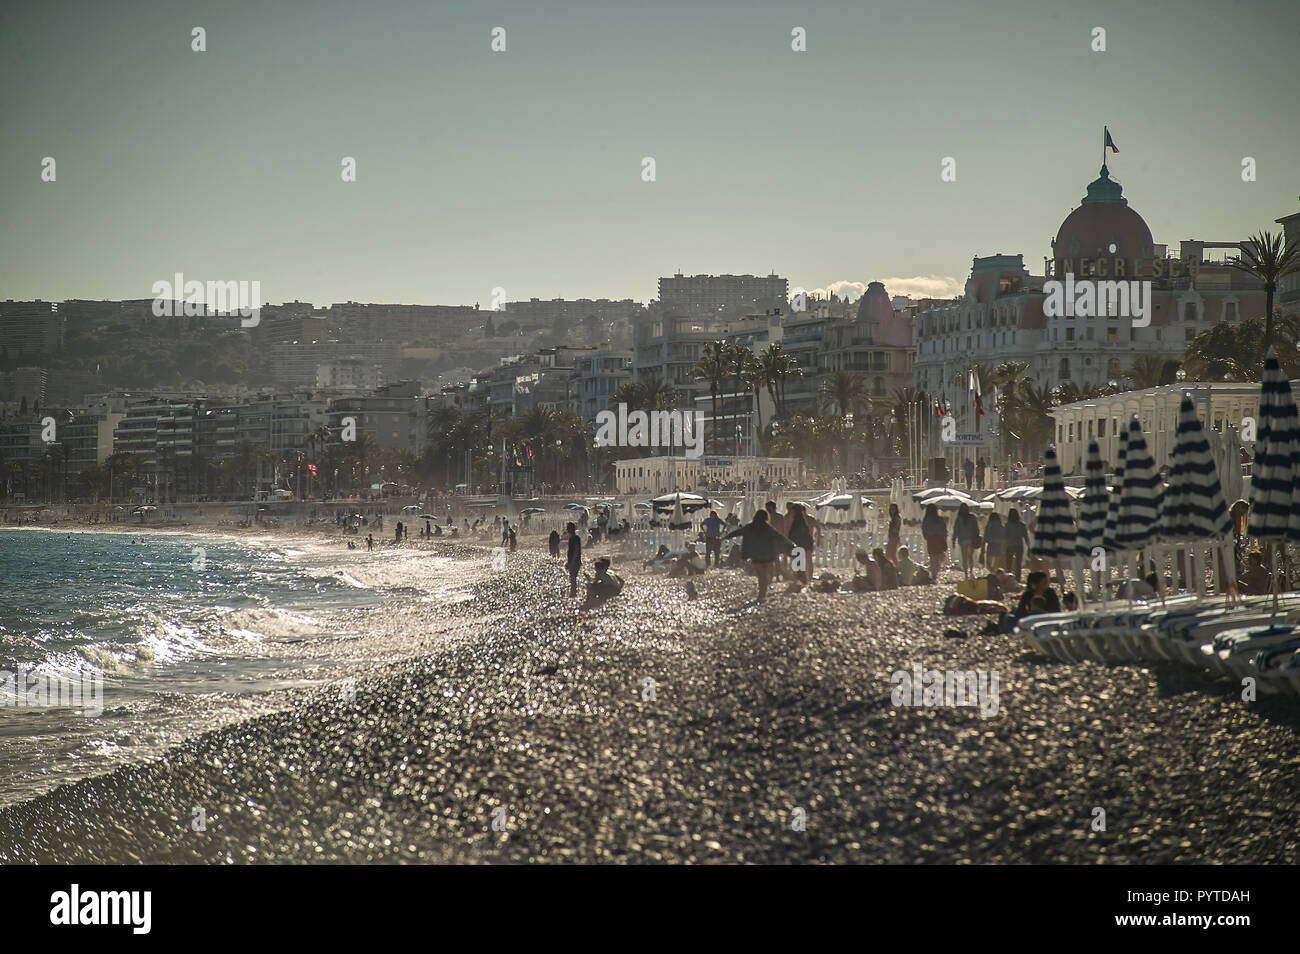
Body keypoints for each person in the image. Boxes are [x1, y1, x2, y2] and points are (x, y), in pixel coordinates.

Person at [723, 509, 793, 602]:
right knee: (765, 574)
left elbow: (737, 532)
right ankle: (763, 592)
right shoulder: (768, 527)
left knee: (761, 575)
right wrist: (790, 543)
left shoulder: (750, 527)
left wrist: (724, 537)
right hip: (768, 554)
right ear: (766, 518)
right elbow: (779, 536)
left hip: (756, 554)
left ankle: (761, 594)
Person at [785, 503, 815, 583]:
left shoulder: (794, 521)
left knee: (798, 562)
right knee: (807, 561)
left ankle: (800, 579)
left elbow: (790, 533)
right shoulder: (804, 520)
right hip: (806, 542)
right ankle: (808, 578)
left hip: (798, 543)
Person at [952, 503, 980, 580]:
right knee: (970, 557)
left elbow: (956, 530)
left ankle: (966, 574)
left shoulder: (959, 518)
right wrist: (977, 536)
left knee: (964, 558)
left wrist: (953, 540)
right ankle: (971, 571)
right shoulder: (972, 517)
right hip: (971, 539)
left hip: (962, 540)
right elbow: (976, 529)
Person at [921, 504, 948, 582]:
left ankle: (934, 574)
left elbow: (924, 530)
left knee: (933, 558)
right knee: (938, 557)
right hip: (939, 538)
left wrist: (926, 537)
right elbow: (944, 529)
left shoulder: (926, 519)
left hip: (931, 539)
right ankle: (935, 573)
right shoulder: (939, 519)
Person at [1003, 509, 1029, 580]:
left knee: (1009, 563)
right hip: (1019, 545)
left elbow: (1005, 537)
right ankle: (1018, 578)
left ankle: (1008, 577)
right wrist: (1029, 546)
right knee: (1018, 563)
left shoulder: (1007, 525)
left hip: (1010, 545)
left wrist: (1003, 547)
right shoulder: (1022, 525)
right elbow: (1026, 537)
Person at [565, 522, 582, 597]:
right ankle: (573, 592)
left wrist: (572, 561)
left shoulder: (575, 538)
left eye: (568, 528)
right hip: (573, 560)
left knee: (573, 577)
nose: (567, 529)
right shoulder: (572, 538)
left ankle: (573, 593)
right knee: (572, 577)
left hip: (575, 561)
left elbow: (576, 550)